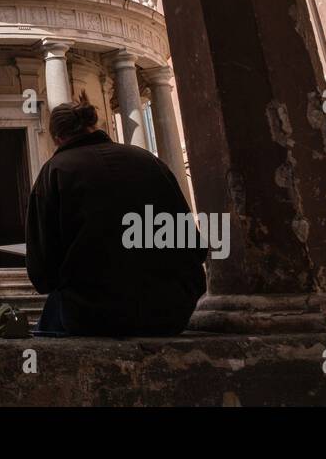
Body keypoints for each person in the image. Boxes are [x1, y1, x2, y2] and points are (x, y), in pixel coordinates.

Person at [27, 93, 206, 337]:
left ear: (57, 138)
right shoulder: (149, 161)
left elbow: (42, 272)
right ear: (94, 126)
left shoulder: (55, 172)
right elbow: (194, 246)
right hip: (171, 310)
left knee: (46, 328)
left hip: (95, 313)